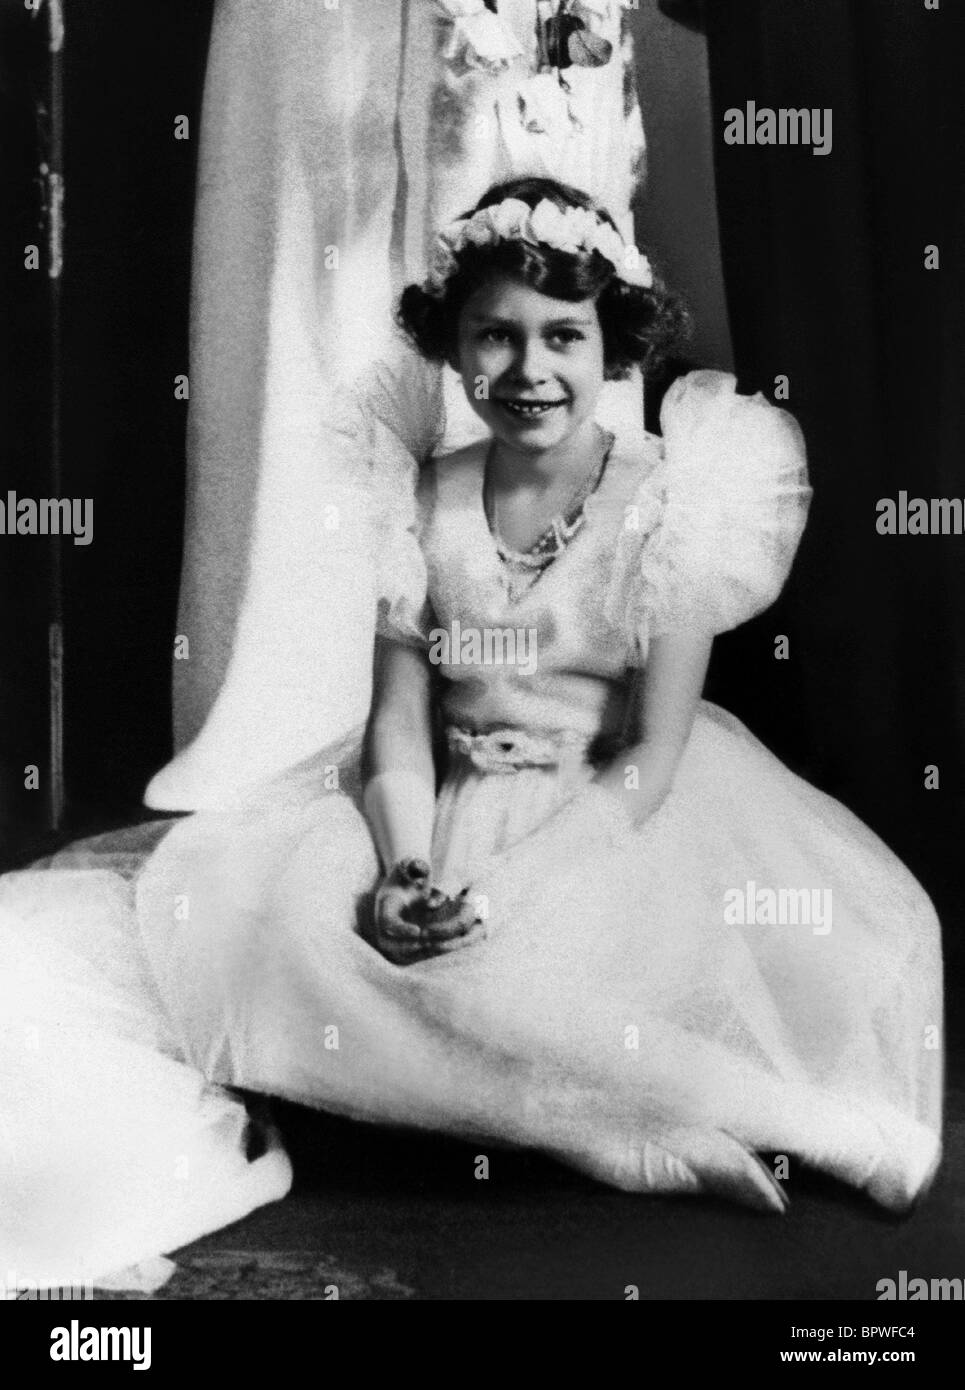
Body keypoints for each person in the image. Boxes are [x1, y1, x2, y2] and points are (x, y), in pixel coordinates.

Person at [0, 176, 942, 1294]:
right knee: (302, 929)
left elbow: (652, 756)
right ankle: (601, 1132)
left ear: (614, 346)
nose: (528, 369)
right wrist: (405, 864)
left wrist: (518, 884)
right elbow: (397, 727)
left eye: (562, 337)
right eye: (493, 336)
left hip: (615, 810)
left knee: (512, 966)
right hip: (439, 790)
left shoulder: (671, 498)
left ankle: (792, 1117)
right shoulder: (419, 497)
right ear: (450, 348)